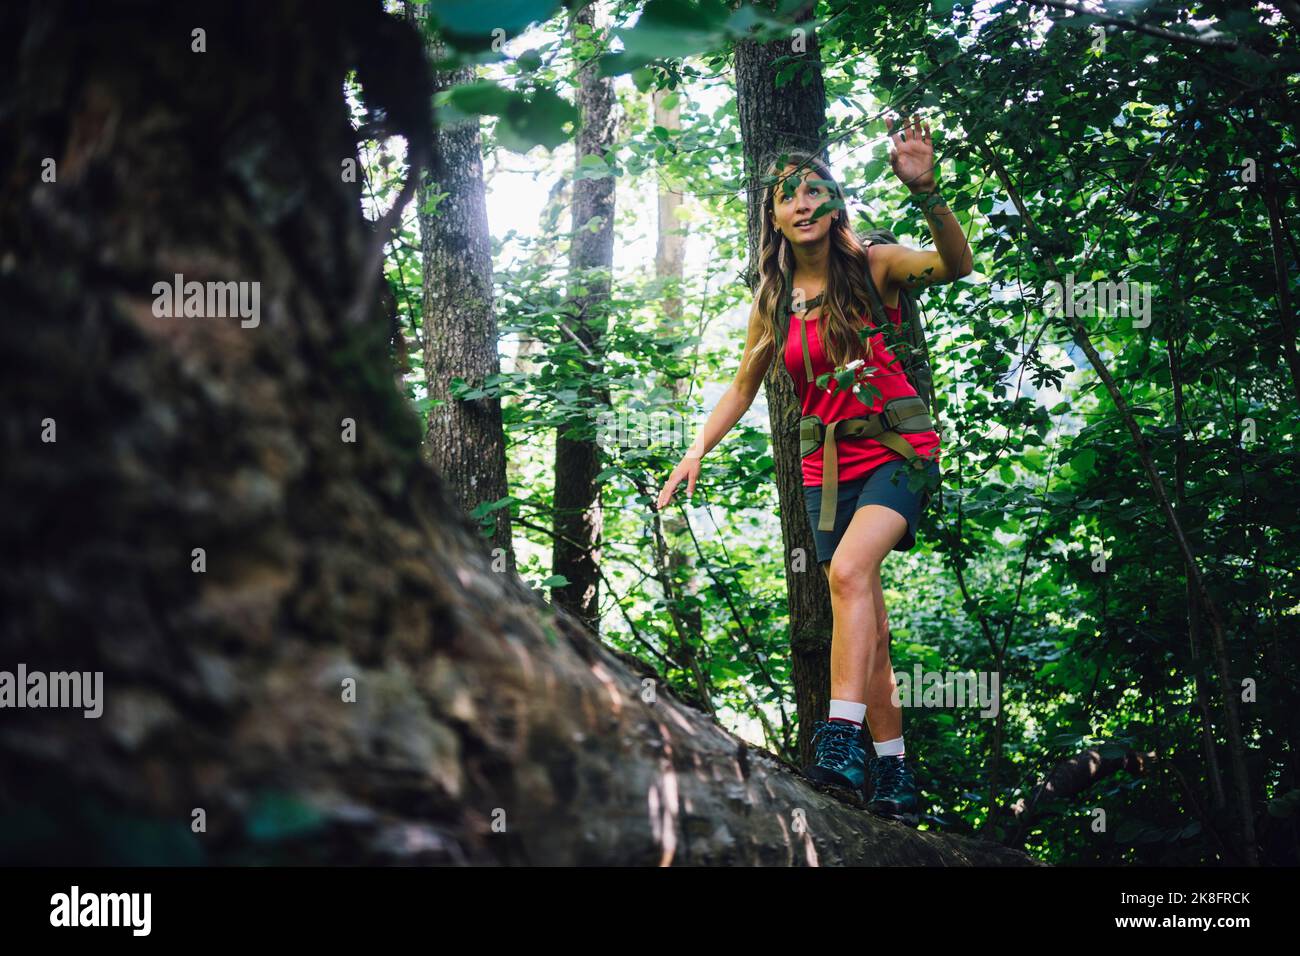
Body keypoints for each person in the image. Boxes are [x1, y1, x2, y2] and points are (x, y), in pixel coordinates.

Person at [655, 114, 973, 826]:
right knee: (869, 620)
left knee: (848, 575)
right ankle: (894, 776)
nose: (802, 204)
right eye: (787, 196)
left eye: (814, 190)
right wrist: (698, 445)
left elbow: (957, 264)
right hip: (826, 468)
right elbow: (742, 385)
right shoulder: (772, 299)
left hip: (898, 448)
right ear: (772, 216)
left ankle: (839, 741)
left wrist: (926, 189)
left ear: (833, 204)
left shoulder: (874, 266)